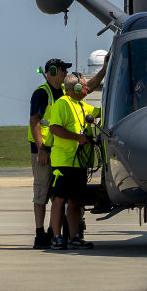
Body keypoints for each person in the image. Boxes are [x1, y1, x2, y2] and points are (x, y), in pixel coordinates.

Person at [47, 55, 109, 250]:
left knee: (75, 201)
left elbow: (101, 112)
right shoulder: (62, 104)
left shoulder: (82, 106)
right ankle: (57, 237)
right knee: (59, 200)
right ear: (74, 88)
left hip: (78, 163)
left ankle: (74, 237)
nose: (87, 89)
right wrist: (77, 138)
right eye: (83, 86)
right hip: (63, 162)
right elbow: (54, 128)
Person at [28, 58, 70, 249]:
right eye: (63, 70)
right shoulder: (41, 93)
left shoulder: (63, 93)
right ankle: (39, 234)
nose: (65, 74)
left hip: (59, 152)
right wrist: (41, 149)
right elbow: (34, 121)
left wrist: (103, 70)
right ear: (52, 71)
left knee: (58, 194)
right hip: (43, 152)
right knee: (41, 192)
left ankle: (54, 232)